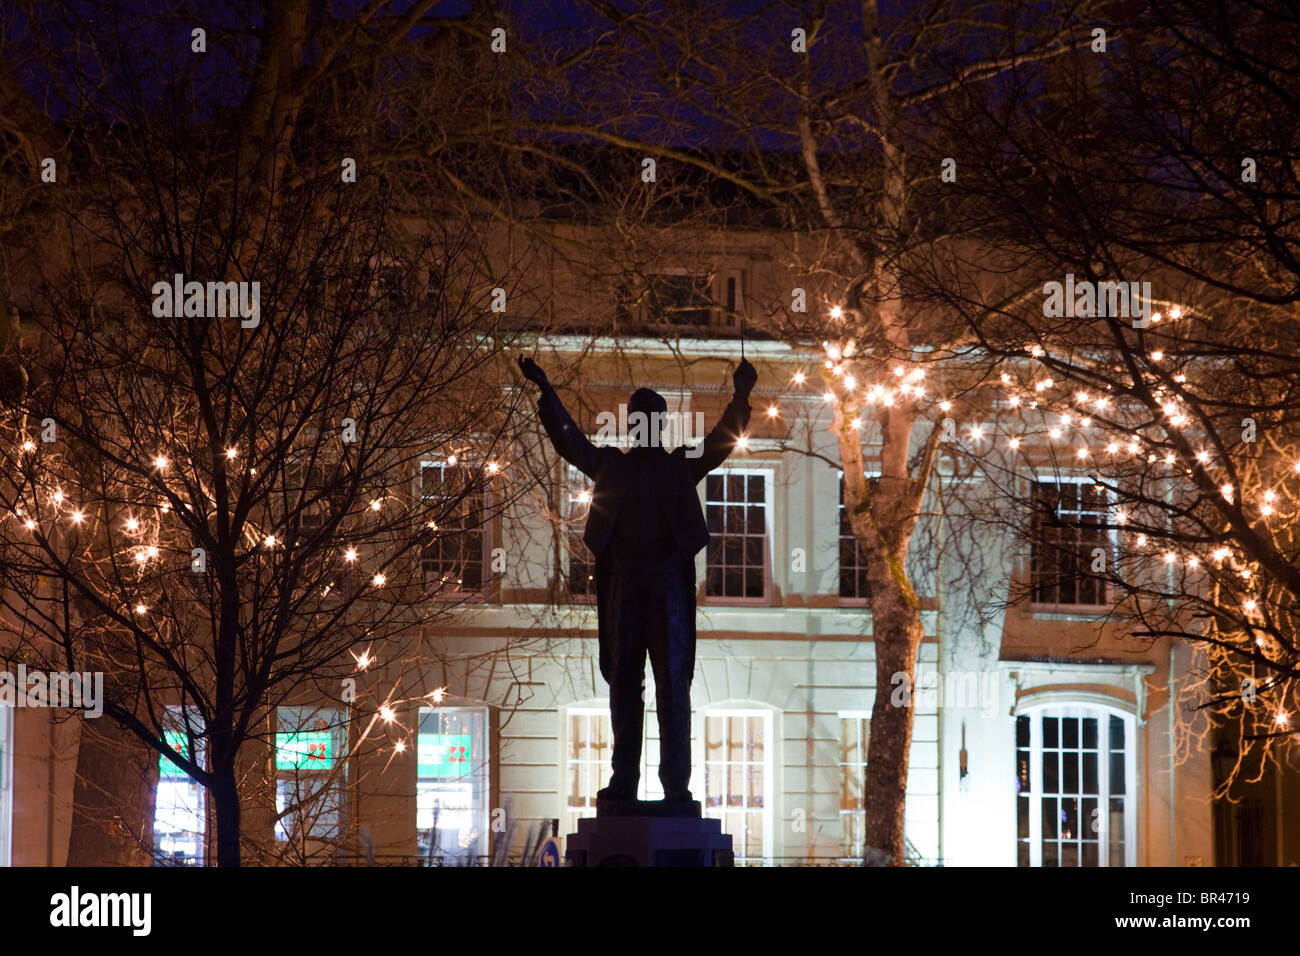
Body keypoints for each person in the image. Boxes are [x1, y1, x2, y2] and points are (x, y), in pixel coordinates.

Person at [518, 353, 757, 802]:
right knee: (629, 687)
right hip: (627, 592)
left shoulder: (675, 467)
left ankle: (674, 787)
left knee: (670, 689)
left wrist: (742, 395)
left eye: (650, 418)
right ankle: (626, 780)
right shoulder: (617, 466)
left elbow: (721, 442)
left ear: (658, 426)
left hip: (664, 591)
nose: (644, 424)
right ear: (633, 425)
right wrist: (546, 391)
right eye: (640, 418)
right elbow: (570, 441)